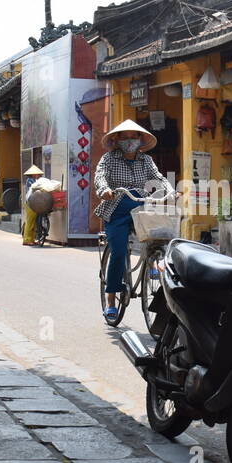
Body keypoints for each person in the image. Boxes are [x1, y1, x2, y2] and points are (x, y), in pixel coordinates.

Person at [93, 119, 174, 319]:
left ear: (140, 139)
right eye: (125, 137)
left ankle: (153, 263)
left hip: (140, 207)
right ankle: (111, 299)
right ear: (117, 139)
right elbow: (100, 176)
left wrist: (171, 190)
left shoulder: (146, 160)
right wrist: (104, 190)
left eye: (134, 136)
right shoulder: (108, 159)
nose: (130, 140)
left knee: (158, 237)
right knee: (119, 253)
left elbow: (159, 177)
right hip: (116, 210)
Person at [22, 164, 44, 246]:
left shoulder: (33, 180)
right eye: (38, 174)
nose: (39, 175)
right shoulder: (30, 180)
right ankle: (27, 240)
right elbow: (35, 188)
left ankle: (31, 239)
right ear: (34, 174)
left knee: (33, 222)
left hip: (34, 202)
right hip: (30, 203)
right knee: (30, 222)